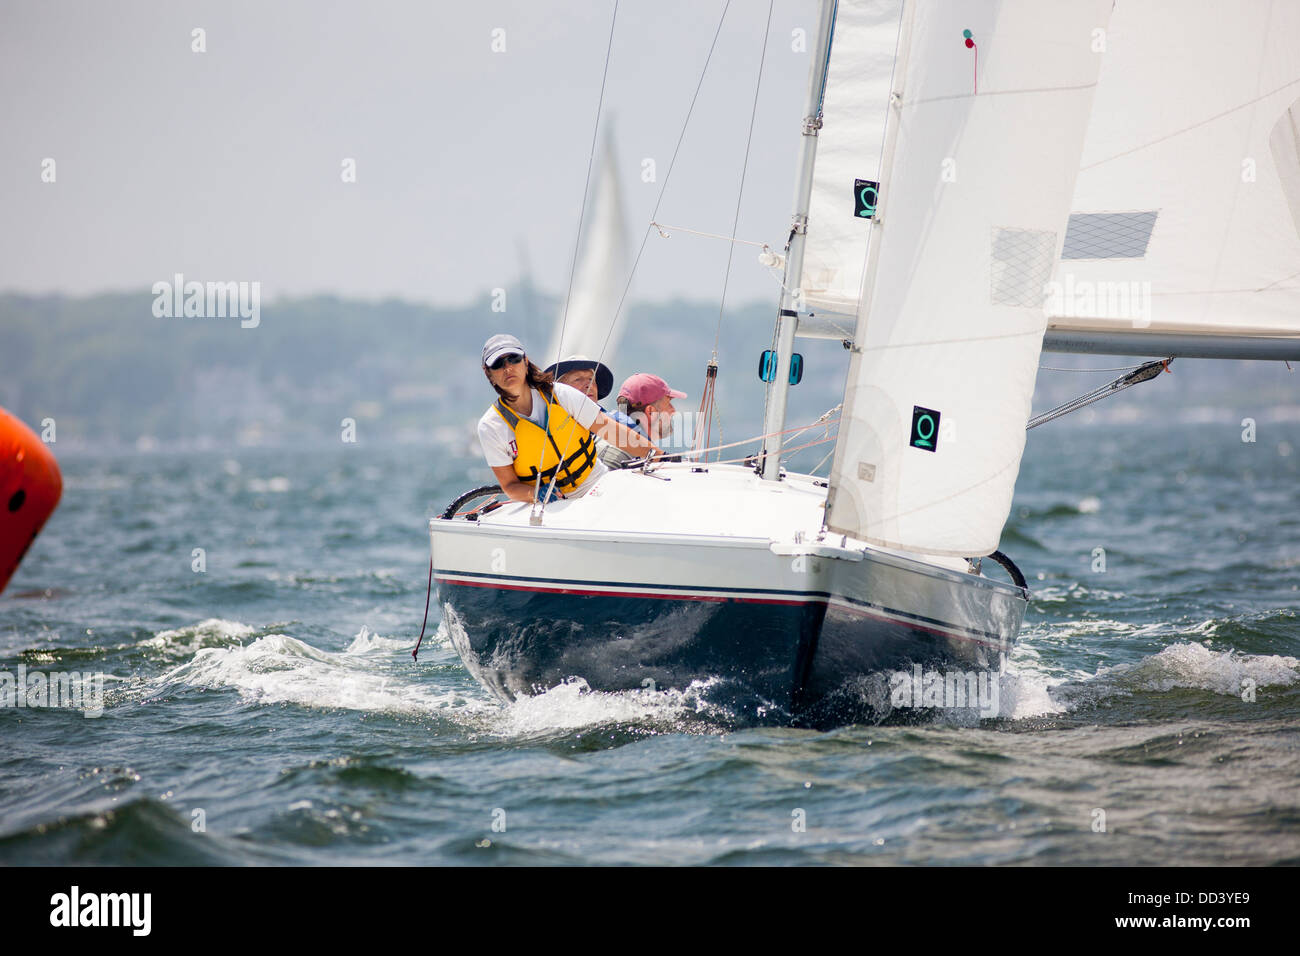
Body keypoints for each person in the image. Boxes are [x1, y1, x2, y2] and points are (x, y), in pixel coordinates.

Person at [477, 334, 661, 504]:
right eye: (498, 364)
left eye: (514, 359)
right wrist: (535, 494)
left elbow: (614, 432)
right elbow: (509, 486)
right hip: (550, 504)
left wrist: (662, 459)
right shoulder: (490, 426)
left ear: (525, 362)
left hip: (598, 484)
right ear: (489, 374)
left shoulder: (561, 394)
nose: (508, 368)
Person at [613, 373, 687, 448]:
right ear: (651, 412)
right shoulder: (639, 455)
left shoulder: (609, 440)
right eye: (668, 403)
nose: (673, 411)